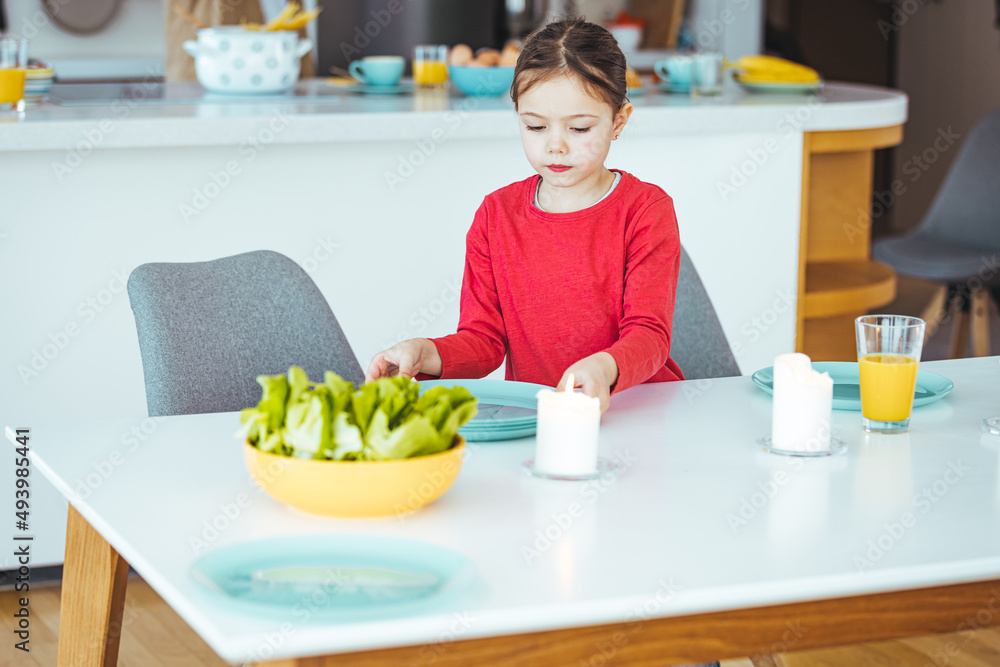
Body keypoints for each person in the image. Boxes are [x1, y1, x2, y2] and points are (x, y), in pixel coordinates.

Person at [366, 17, 685, 412]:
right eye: (535, 126)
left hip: (638, 410)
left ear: (618, 121)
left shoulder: (646, 211)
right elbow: (484, 342)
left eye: (580, 129)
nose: (556, 146)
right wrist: (423, 352)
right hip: (542, 417)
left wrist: (605, 369)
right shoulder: (495, 215)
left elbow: (650, 335)